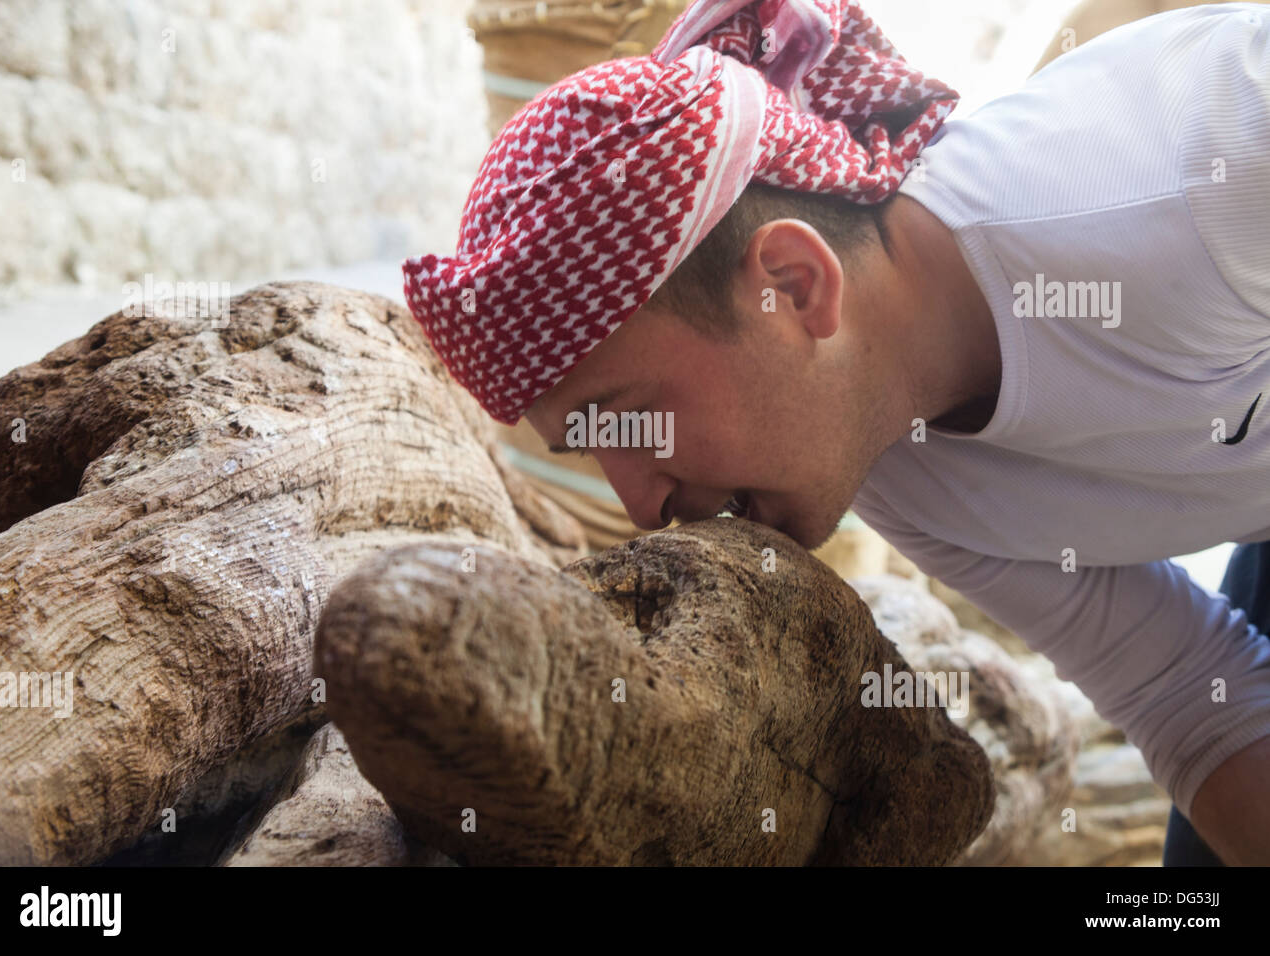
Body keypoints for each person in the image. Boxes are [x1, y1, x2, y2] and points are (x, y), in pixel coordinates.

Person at [403, 0, 1270, 864]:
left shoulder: (1208, 161)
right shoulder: (899, 468)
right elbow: (1187, 693)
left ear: (794, 284)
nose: (640, 505)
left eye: (629, 418)